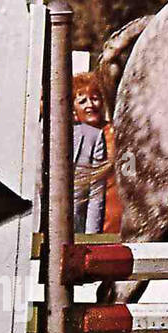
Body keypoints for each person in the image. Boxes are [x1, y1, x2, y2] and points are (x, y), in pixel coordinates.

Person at [71, 75, 108, 235]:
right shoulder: (74, 133)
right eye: (82, 101)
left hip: (108, 217)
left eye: (95, 98)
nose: (90, 105)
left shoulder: (113, 134)